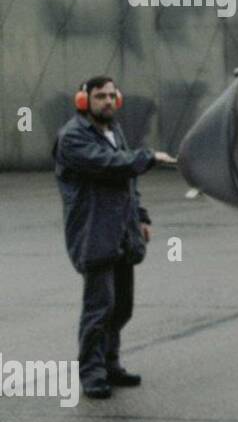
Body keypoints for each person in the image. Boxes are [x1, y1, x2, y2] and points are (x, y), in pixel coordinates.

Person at [52, 77, 177, 399]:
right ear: (84, 101)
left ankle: (110, 364)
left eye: (111, 96)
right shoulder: (73, 137)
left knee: (122, 307)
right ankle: (92, 373)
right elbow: (108, 164)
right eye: (100, 96)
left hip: (121, 231)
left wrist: (141, 216)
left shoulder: (114, 132)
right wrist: (146, 157)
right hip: (94, 233)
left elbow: (128, 182)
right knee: (99, 309)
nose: (107, 101)